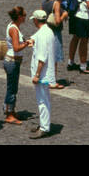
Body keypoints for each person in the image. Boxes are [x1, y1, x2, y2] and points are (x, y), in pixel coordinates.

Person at [29, 9, 59, 138]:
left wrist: (36, 75)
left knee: (42, 101)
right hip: (48, 72)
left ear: (36, 20)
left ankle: (44, 127)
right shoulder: (48, 31)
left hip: (42, 74)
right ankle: (44, 124)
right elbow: (35, 36)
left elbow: (42, 58)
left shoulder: (42, 35)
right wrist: (32, 40)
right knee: (44, 99)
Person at [2, 6, 31, 126]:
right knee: (12, 88)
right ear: (19, 17)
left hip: (13, 61)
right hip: (12, 61)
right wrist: (26, 43)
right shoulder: (14, 29)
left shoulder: (13, 26)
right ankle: (9, 114)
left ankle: (11, 110)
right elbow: (16, 47)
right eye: (24, 15)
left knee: (13, 87)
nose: (25, 17)